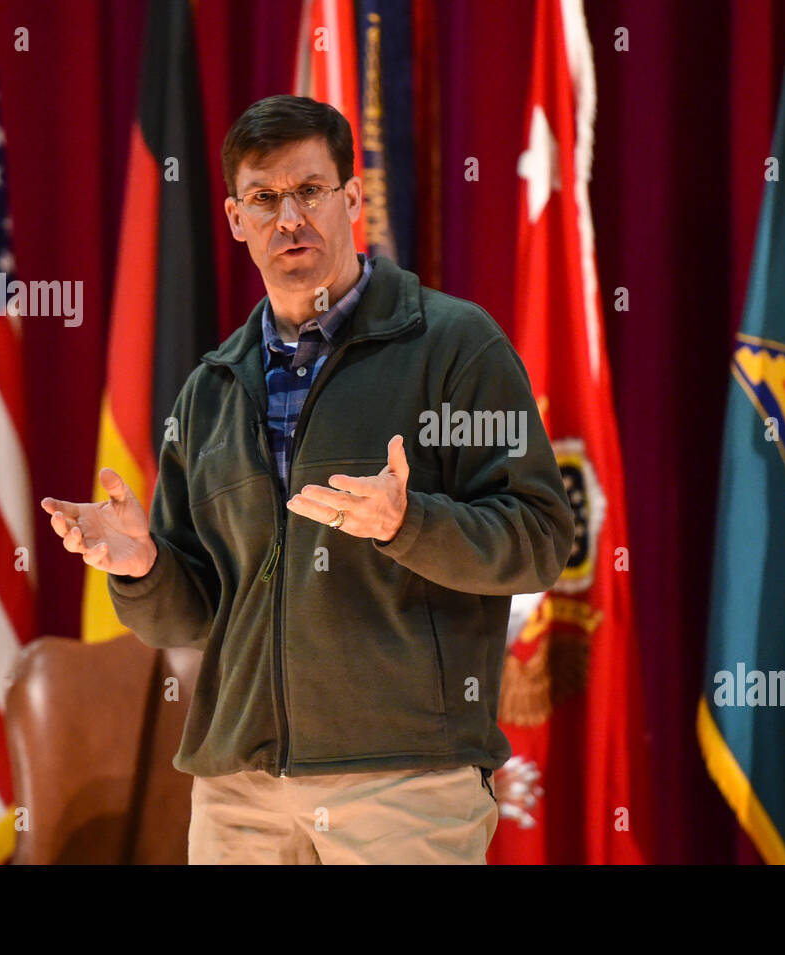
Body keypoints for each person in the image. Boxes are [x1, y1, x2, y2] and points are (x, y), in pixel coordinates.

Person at [40, 95, 572, 864]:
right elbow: (195, 618)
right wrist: (144, 568)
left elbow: (540, 539)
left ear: (351, 199)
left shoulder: (453, 345)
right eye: (264, 198)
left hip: (403, 782)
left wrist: (408, 521)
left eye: (310, 191)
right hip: (238, 794)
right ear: (233, 218)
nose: (290, 217)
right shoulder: (211, 388)